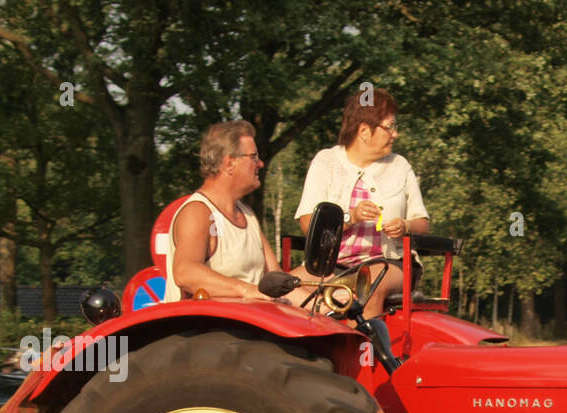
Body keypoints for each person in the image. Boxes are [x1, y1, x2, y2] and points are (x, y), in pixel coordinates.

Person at [295, 89, 429, 320]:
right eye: (389, 127)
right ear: (364, 131)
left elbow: (423, 225)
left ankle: (361, 353)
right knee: (282, 287)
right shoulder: (326, 162)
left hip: (391, 264)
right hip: (333, 266)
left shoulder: (400, 166)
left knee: (368, 286)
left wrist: (405, 226)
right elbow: (308, 225)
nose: (395, 134)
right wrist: (351, 217)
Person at [166, 120, 319, 304]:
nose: (261, 163)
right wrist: (246, 290)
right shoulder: (197, 212)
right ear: (230, 163)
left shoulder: (247, 215)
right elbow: (185, 272)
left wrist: (327, 307)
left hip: (249, 327)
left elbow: (277, 283)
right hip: (207, 329)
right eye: (253, 156)